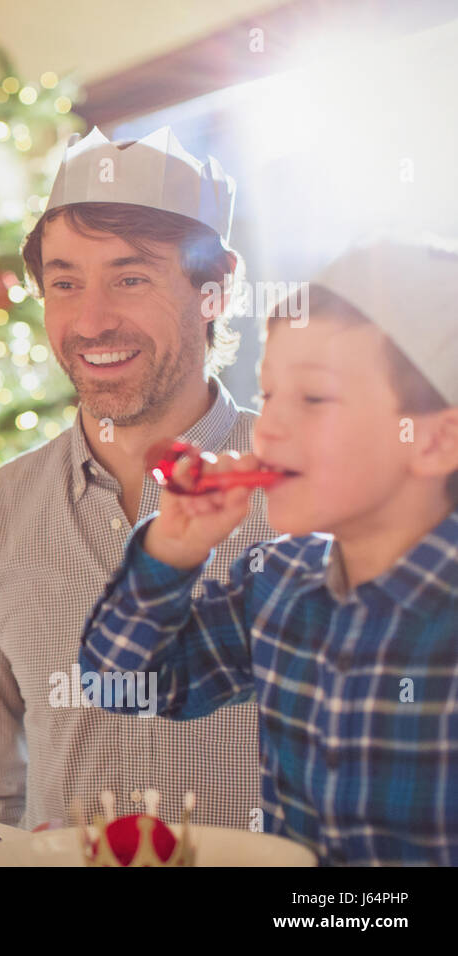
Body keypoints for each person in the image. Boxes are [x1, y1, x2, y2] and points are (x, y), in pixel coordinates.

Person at [0, 127, 270, 830]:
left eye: (131, 278)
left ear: (215, 291)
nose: (91, 320)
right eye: (64, 283)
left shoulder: (316, 488)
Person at [80, 237, 458, 865]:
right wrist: (170, 551)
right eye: (270, 394)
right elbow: (124, 689)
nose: (269, 426)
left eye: (313, 398)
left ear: (434, 443)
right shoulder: (279, 581)